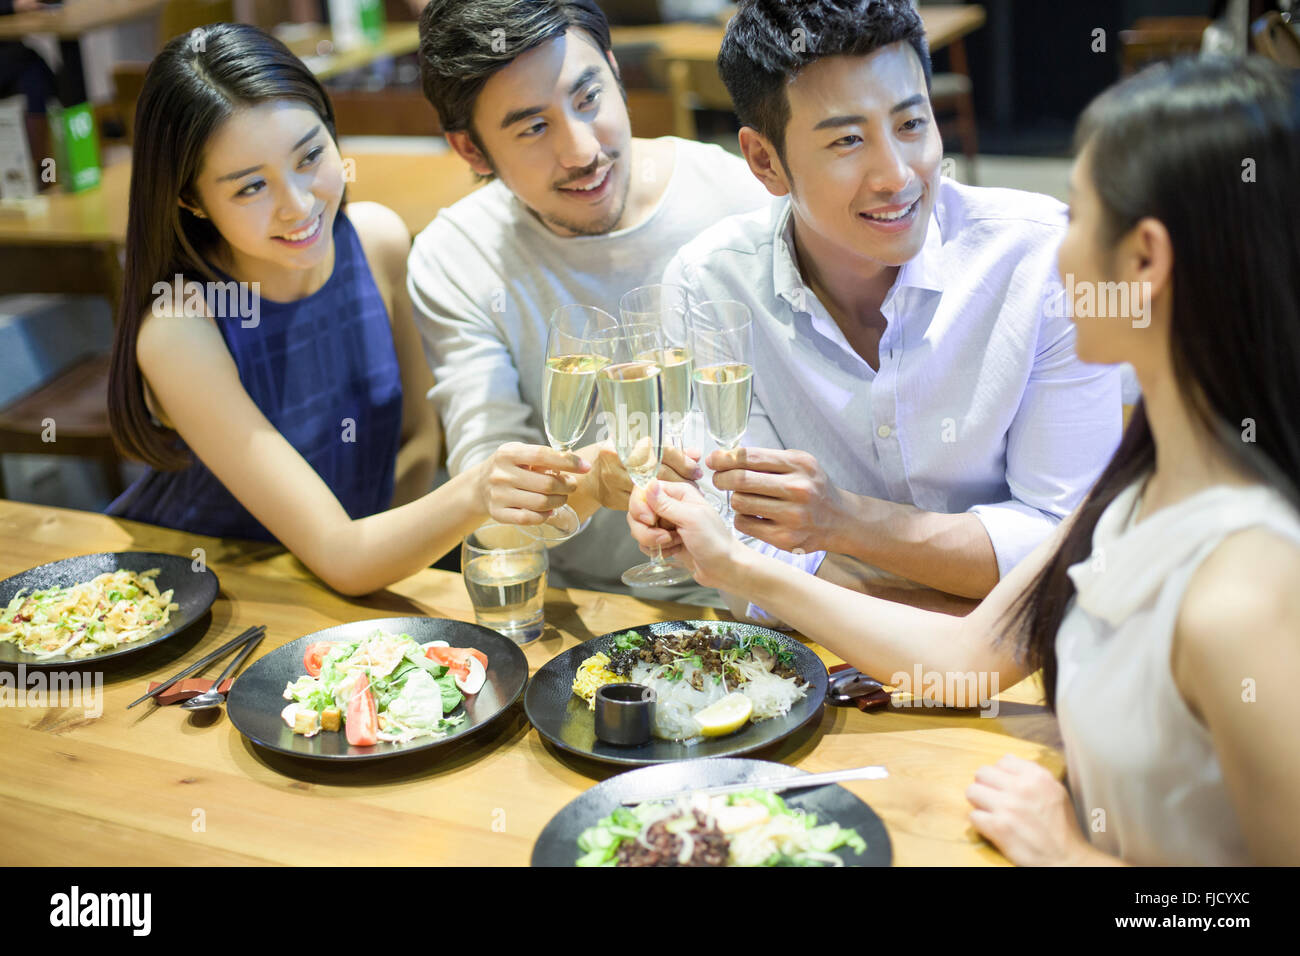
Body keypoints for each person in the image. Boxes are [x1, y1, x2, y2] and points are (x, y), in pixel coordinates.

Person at [629, 56, 1300, 865]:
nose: (1051, 251)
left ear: (1146, 261)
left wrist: (1069, 856)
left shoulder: (1249, 590)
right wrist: (734, 563)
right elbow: (964, 663)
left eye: (1078, 214)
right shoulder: (1145, 478)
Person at [643, 0, 1122, 620]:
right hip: (819, 673)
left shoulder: (1044, 260)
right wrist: (942, 608)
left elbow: (1069, 544)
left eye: (911, 124)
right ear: (765, 161)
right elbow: (742, 544)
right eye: (847, 139)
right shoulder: (709, 286)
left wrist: (842, 523)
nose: (897, 176)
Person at [106, 23, 588, 596]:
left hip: (340, 588)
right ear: (191, 200)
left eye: (310, 155)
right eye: (249, 188)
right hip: (210, 591)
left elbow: (415, 437)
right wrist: (474, 492)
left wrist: (389, 549)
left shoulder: (376, 240)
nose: (299, 205)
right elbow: (339, 554)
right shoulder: (183, 330)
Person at [407, 0, 772, 600]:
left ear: (613, 68)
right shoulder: (459, 256)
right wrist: (588, 483)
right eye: (532, 127)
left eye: (588, 99)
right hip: (589, 610)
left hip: (763, 596)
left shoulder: (738, 199)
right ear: (471, 150)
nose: (581, 152)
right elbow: (492, 512)